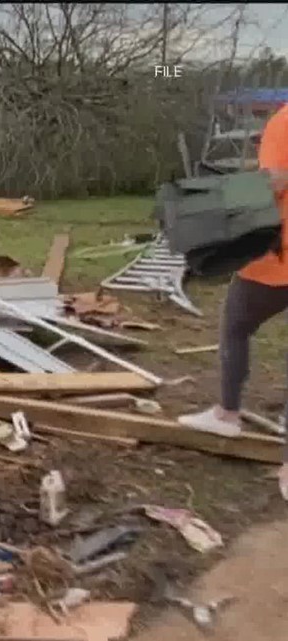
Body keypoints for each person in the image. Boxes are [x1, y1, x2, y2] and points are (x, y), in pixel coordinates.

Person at [177, 101, 288, 499]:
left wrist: (223, 198)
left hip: (277, 259)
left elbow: (275, 179)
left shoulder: (285, 120)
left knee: (237, 324)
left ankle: (227, 413)